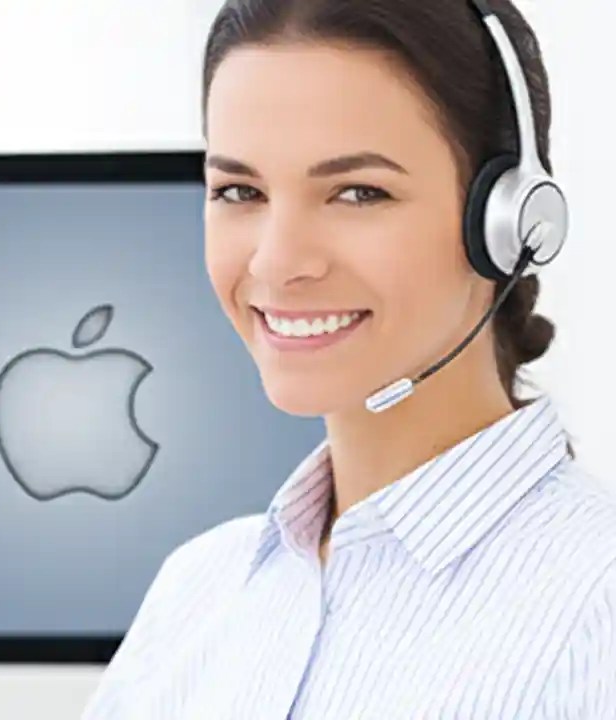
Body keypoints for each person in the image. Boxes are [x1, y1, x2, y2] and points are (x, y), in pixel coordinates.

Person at [81, 0, 616, 717]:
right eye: (240, 191)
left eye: (358, 192)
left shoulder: (596, 601)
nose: (277, 262)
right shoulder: (197, 591)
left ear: (508, 223)